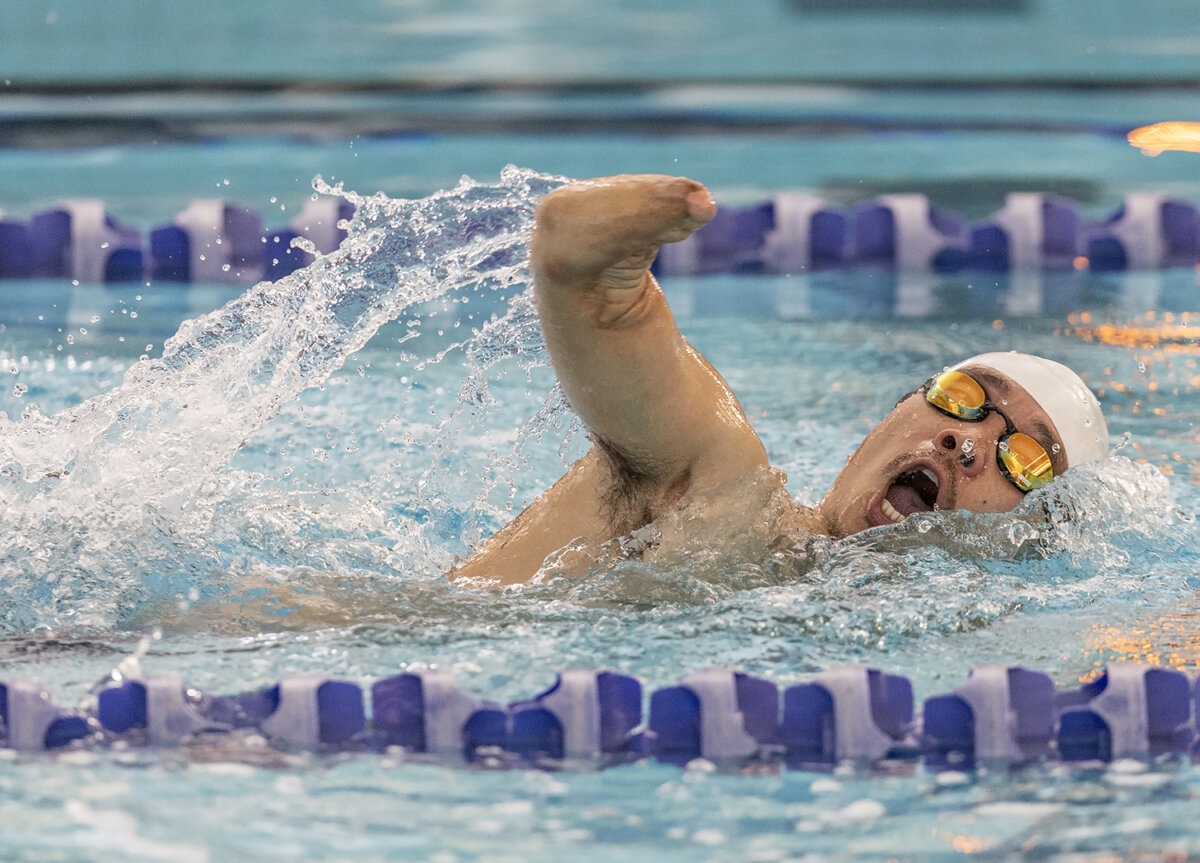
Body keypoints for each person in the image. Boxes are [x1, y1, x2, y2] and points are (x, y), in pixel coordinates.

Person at [450, 174, 1109, 585]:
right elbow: (586, 279)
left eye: (1022, 458)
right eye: (963, 400)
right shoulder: (719, 490)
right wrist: (601, 263)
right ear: (897, 411)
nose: (966, 444)